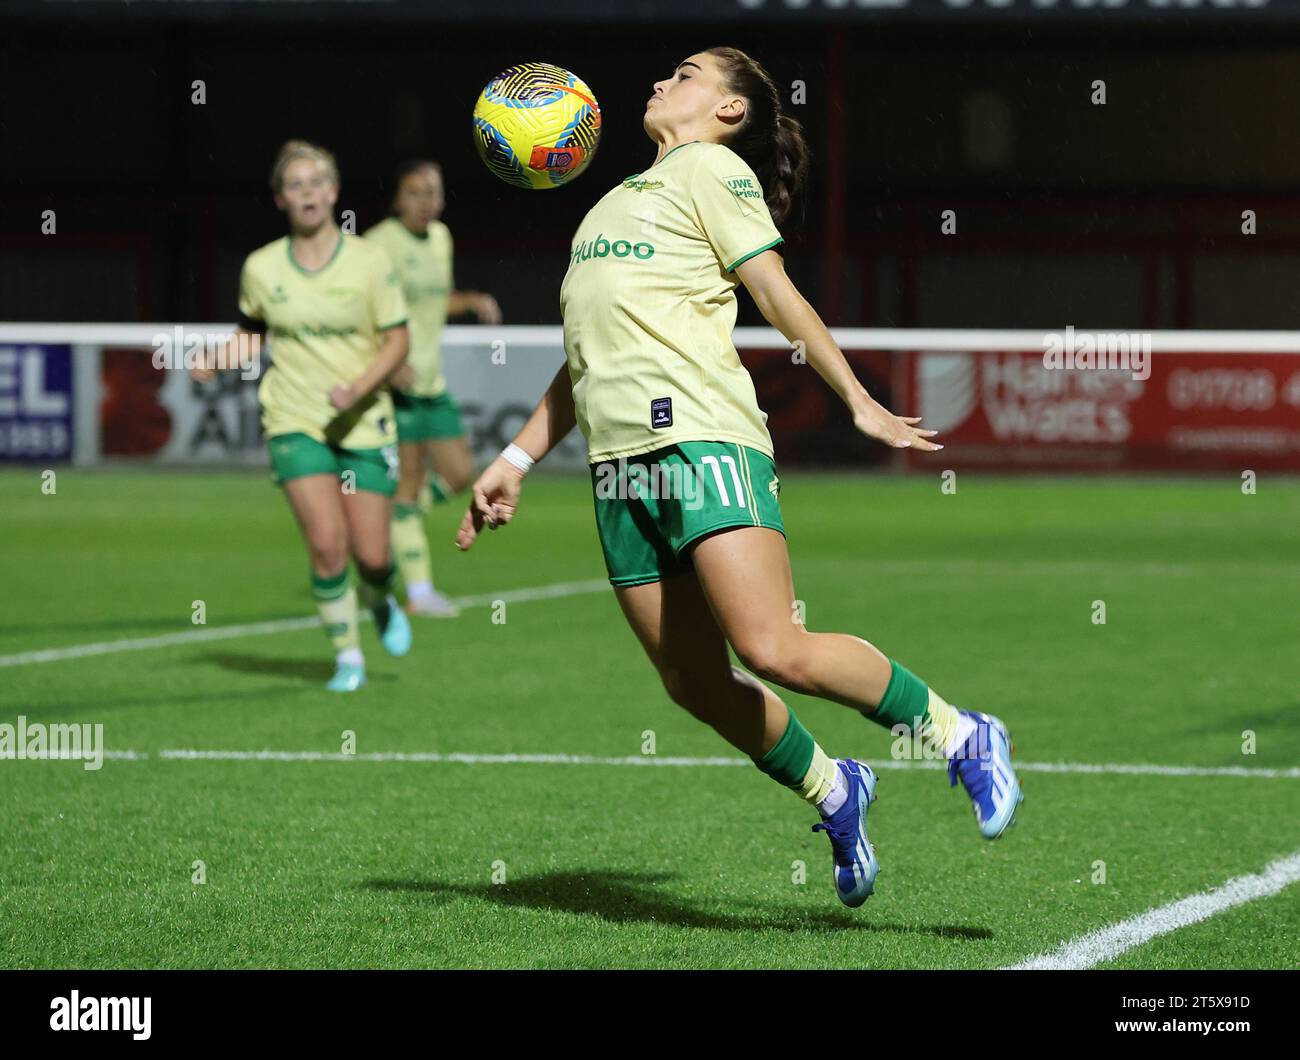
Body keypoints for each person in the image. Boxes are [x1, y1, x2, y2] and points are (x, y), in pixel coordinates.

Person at [455, 50, 1022, 906]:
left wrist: (859, 400)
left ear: (728, 112)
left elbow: (776, 290)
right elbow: (586, 361)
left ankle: (961, 735)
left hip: (701, 443)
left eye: (684, 74)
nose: (658, 82)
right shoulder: (610, 206)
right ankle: (837, 789)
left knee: (771, 647)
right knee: (690, 681)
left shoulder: (711, 168)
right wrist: (517, 457)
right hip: (617, 472)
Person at [193, 140, 413, 692]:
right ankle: (348, 658)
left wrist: (358, 387)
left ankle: (380, 595)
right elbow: (251, 336)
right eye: (296, 184)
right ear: (280, 198)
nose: (308, 192)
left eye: (317, 182)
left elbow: (397, 341)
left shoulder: (369, 261)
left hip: (362, 420)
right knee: (325, 544)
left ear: (334, 192)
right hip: (294, 420)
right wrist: (214, 361)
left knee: (372, 555)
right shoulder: (262, 268)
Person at [365, 160, 502, 618]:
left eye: (434, 192)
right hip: (392, 387)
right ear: (397, 198)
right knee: (406, 485)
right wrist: (384, 365)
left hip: (431, 382)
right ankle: (420, 593)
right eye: (415, 192)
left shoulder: (441, 238)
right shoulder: (378, 244)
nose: (426, 201)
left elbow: (435, 299)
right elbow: (357, 312)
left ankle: (396, 518)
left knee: (461, 473)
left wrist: (471, 300)